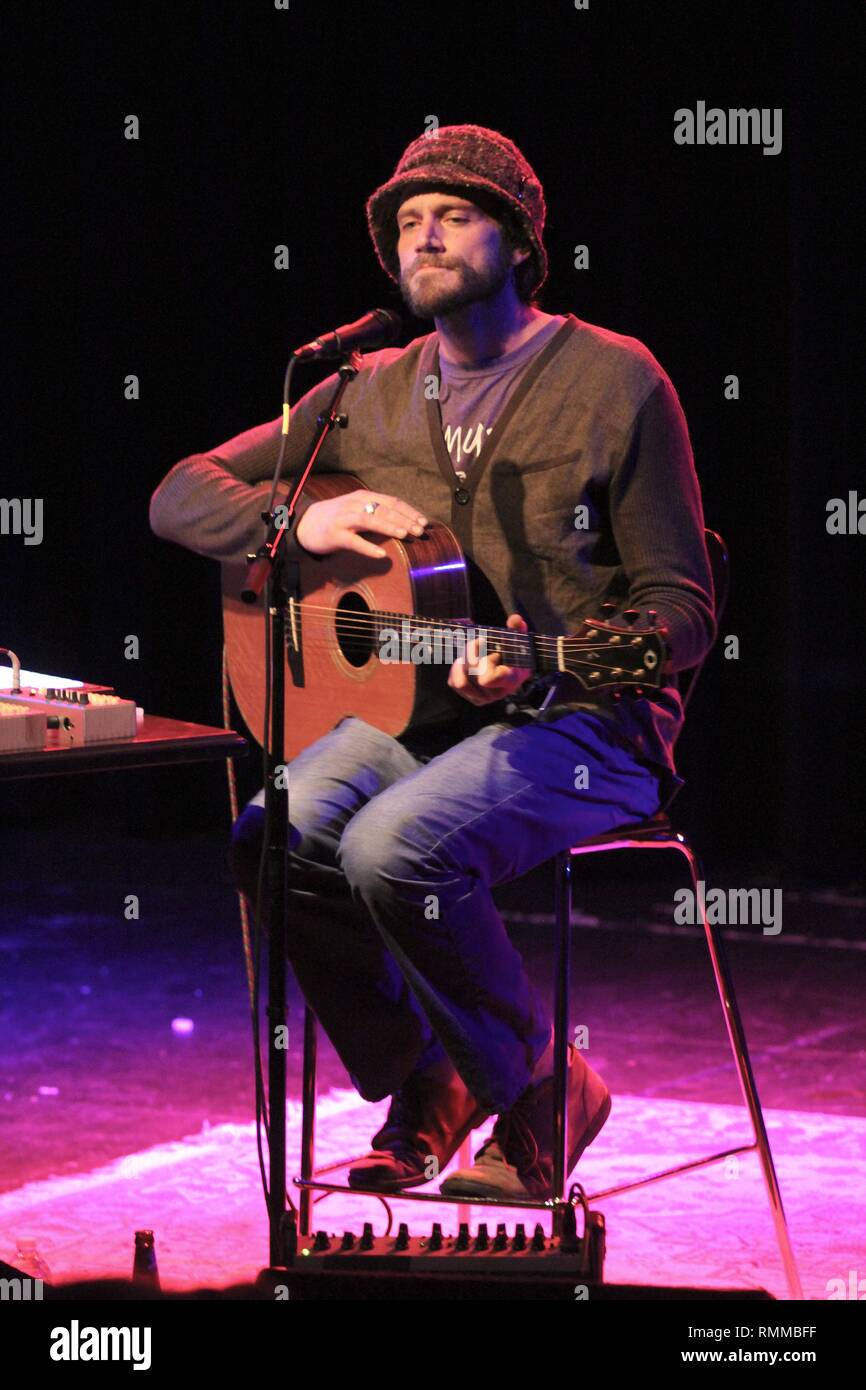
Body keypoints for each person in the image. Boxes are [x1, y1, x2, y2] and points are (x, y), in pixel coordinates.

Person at [149, 124, 716, 1199]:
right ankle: (437, 1075)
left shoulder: (613, 380)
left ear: (518, 243)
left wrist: (547, 667)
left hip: (584, 726)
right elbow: (177, 494)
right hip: (419, 722)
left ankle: (547, 1088)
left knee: (390, 846)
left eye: (453, 215)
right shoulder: (361, 388)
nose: (423, 237)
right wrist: (297, 525)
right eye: (405, 223)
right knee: (274, 832)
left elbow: (680, 609)